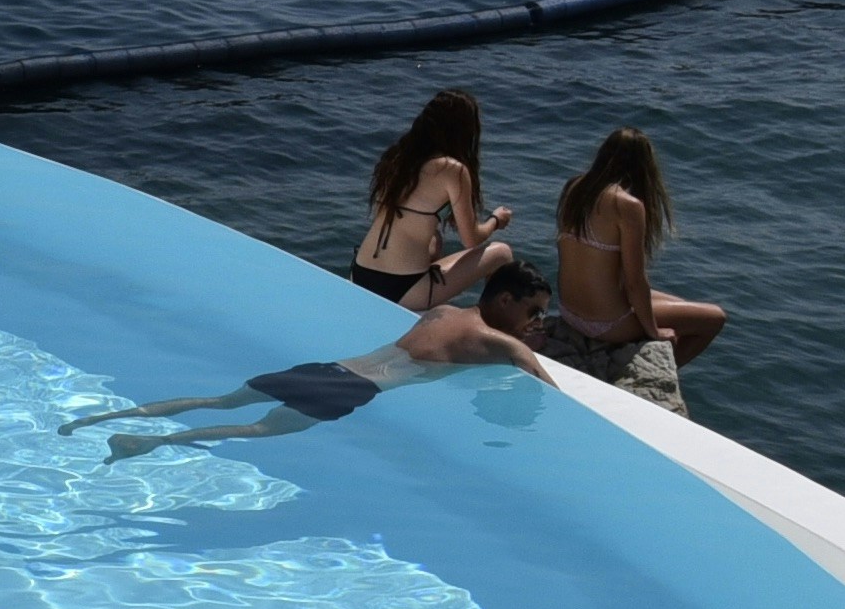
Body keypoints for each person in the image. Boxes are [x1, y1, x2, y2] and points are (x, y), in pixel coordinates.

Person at [64, 259, 559, 457]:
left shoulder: (445, 311)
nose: (535, 324)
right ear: (506, 301)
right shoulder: (505, 344)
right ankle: (149, 443)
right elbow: (552, 395)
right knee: (255, 431)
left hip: (332, 367)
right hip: (355, 390)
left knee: (220, 401)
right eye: (532, 312)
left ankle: (102, 417)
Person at [546, 127, 728, 373]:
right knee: (715, 318)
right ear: (644, 166)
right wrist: (654, 332)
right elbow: (635, 283)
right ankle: (659, 369)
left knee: (681, 304)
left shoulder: (574, 188)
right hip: (606, 323)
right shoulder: (627, 205)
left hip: (570, 313)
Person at [347, 91, 504, 306]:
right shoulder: (452, 169)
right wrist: (496, 220)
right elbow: (471, 240)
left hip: (360, 275)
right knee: (501, 253)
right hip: (403, 287)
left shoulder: (398, 157)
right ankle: (494, 325)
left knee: (434, 241)